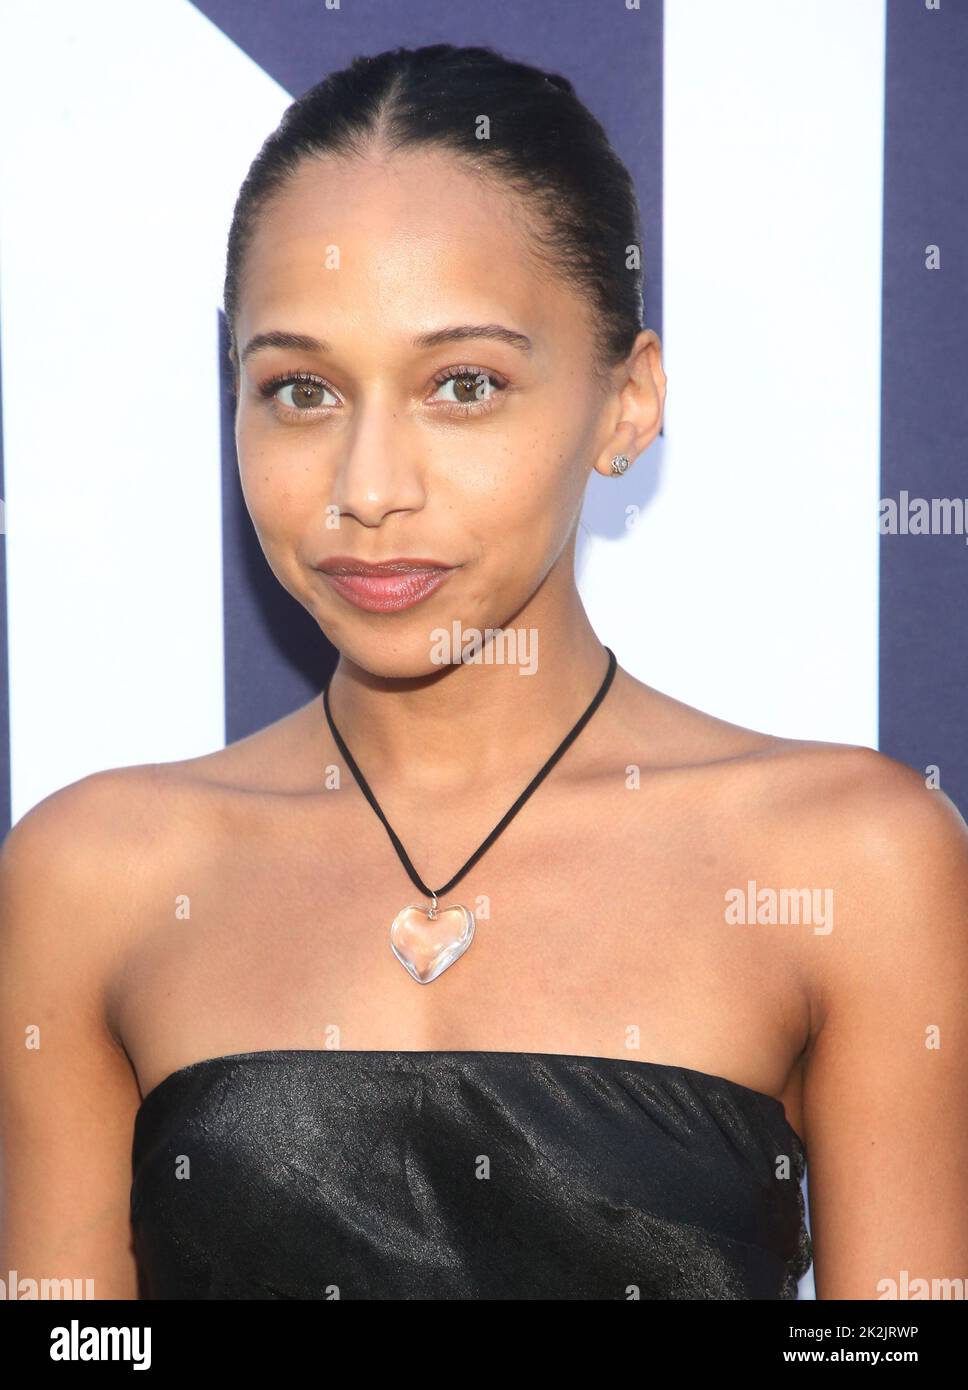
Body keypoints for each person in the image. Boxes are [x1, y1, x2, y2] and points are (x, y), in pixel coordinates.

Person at [1, 43, 966, 1303]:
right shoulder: (92, 874)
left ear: (627, 401)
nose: (367, 489)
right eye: (299, 390)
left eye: (464, 385)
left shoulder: (850, 859)